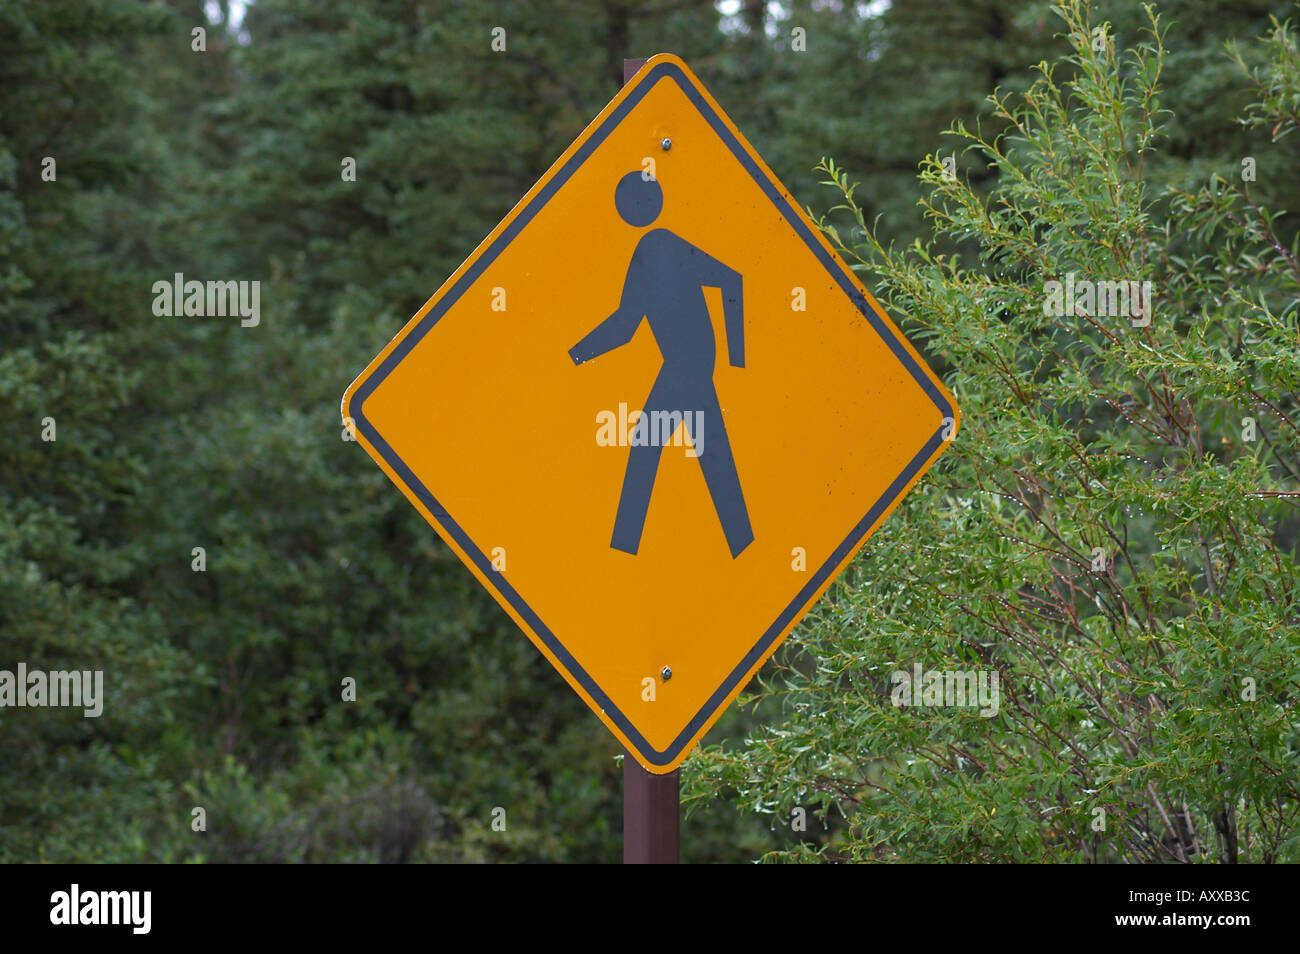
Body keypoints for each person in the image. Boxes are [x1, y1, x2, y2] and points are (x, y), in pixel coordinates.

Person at [569, 171, 754, 558]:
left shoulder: (661, 244)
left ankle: (623, 549)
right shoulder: (648, 251)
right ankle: (743, 545)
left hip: (690, 363)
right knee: (705, 449)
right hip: (687, 363)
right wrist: (575, 356)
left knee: (651, 444)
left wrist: (738, 359)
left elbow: (732, 280)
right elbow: (625, 326)